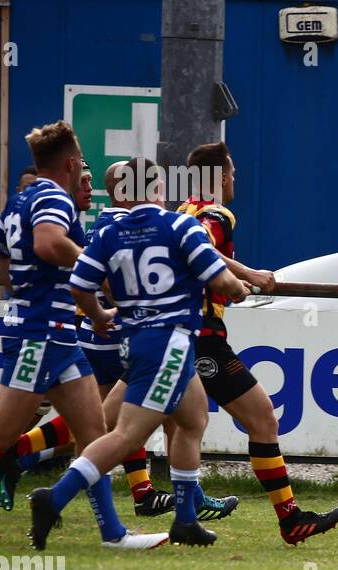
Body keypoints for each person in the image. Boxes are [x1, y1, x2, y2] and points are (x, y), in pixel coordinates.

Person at [0, 121, 166, 550]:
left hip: (60, 336)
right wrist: (96, 271)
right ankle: (112, 531)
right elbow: (49, 244)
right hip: (41, 335)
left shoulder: (21, 199)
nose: (84, 176)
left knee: (93, 436)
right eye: (83, 168)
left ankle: (113, 534)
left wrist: (87, 309)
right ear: (71, 163)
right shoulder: (54, 196)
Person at [31, 156, 252, 549]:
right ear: (158, 189)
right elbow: (217, 276)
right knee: (125, 434)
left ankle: (185, 520)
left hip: (142, 342)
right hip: (169, 341)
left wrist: (100, 316)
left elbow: (82, 284)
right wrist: (238, 288)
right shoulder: (180, 225)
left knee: (192, 419)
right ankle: (55, 497)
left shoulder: (108, 234)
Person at [175, 141, 338, 544]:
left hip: (179, 331)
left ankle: (185, 517)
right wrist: (248, 274)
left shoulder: (183, 210)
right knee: (262, 419)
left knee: (148, 422)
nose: (235, 180)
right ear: (219, 178)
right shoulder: (215, 213)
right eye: (231, 172)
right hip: (204, 338)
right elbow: (201, 249)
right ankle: (289, 519)